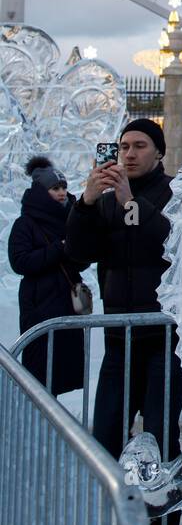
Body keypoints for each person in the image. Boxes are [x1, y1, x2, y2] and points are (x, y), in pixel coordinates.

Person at [64, 119, 182, 470]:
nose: (129, 154)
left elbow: (168, 243)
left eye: (140, 146)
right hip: (120, 339)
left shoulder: (175, 192)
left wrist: (130, 203)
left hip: (164, 339)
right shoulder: (102, 202)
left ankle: (163, 522)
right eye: (123, 147)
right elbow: (78, 252)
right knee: (105, 436)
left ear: (160, 152)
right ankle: (114, 518)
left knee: (160, 438)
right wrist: (86, 203)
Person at [8, 156, 85, 395]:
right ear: (42, 192)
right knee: (40, 374)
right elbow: (20, 262)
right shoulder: (25, 223)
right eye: (55, 188)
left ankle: (56, 425)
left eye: (63, 187)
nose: (62, 193)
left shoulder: (71, 218)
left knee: (62, 370)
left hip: (66, 303)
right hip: (39, 306)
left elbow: (81, 262)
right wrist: (59, 248)